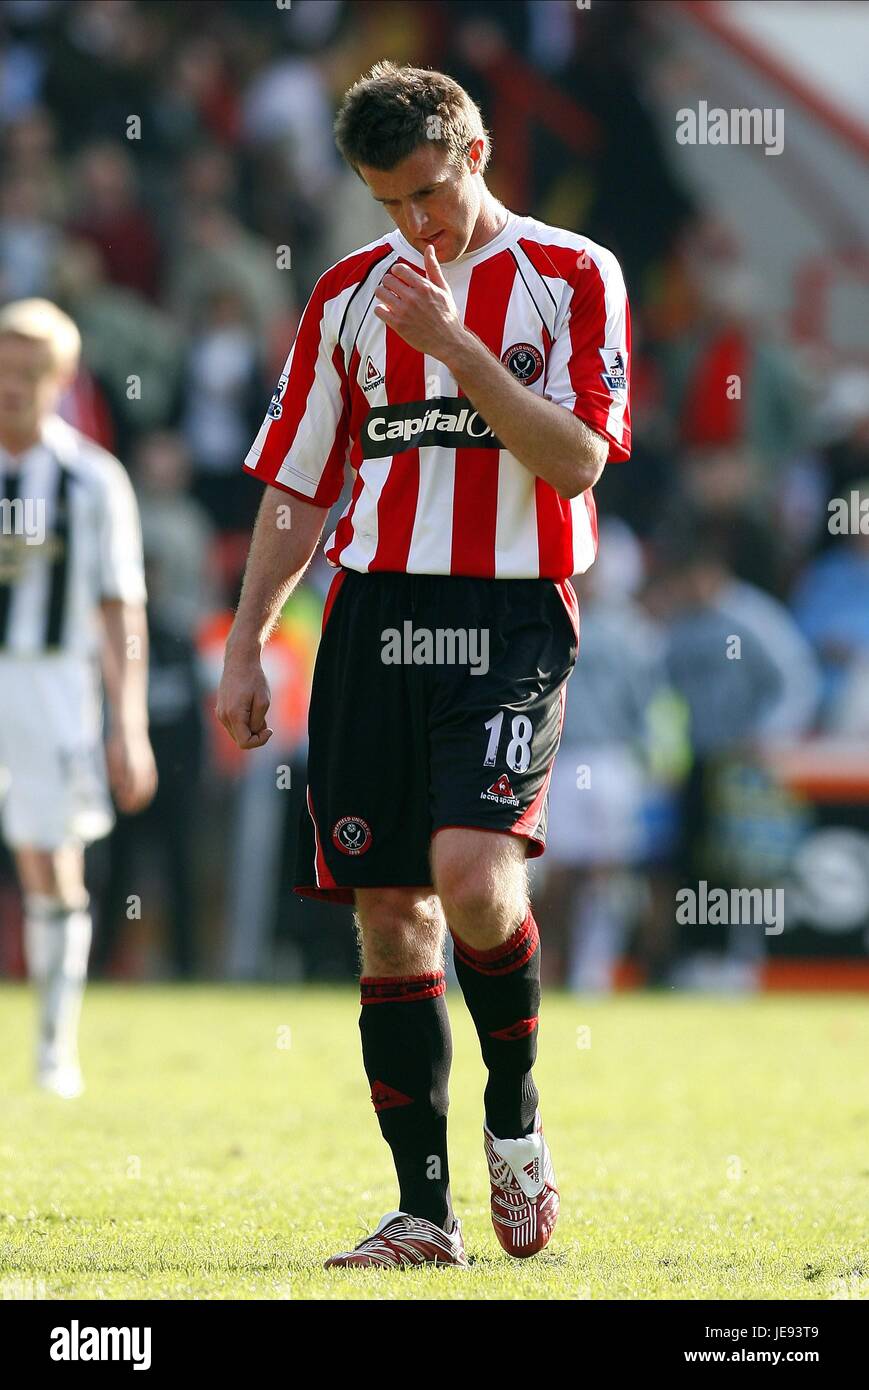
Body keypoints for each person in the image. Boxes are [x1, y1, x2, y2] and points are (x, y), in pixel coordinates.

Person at [217, 62, 631, 1268]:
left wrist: (453, 344)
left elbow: (574, 463)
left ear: (478, 148)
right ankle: (424, 1212)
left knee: (471, 877)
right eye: (385, 201)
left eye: (429, 193)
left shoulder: (568, 276)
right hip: (373, 614)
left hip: (506, 615)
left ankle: (515, 1114)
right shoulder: (348, 294)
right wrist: (248, 638)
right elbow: (299, 482)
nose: (413, 225)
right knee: (389, 911)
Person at [0, 298, 156, 1097]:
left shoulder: (92, 480)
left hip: (52, 679)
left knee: (50, 859)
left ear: (61, 381)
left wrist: (126, 723)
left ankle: (53, 1049)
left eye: (33, 371)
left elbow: (120, 606)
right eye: (6, 366)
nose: (15, 384)